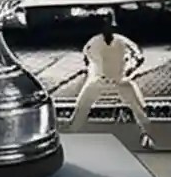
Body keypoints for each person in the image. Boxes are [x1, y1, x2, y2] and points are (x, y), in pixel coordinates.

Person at [67, 13, 156, 150]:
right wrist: (94, 72)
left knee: (138, 109)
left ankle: (147, 137)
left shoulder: (122, 41)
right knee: (81, 108)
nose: (107, 29)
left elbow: (139, 57)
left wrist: (129, 71)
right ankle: (70, 138)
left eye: (109, 25)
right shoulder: (93, 42)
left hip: (119, 80)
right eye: (105, 26)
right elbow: (86, 59)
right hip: (97, 81)